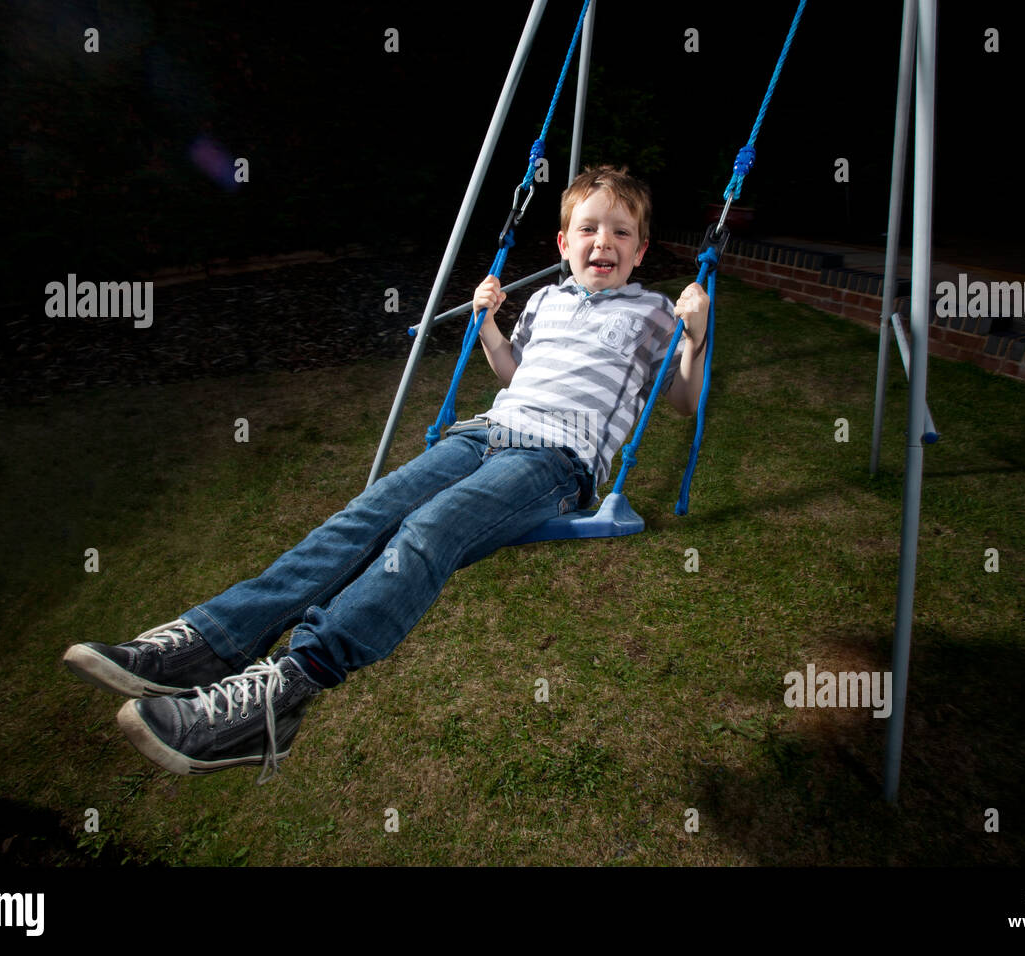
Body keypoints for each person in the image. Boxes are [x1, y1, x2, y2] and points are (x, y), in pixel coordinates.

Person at [62, 165, 711, 782]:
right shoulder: (545, 301)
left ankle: (281, 694)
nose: (605, 241)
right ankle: (209, 640)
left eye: (621, 232)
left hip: (553, 461)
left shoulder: (650, 313)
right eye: (591, 229)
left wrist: (695, 338)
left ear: (642, 248)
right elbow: (516, 375)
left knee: (429, 530)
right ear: (564, 242)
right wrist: (487, 326)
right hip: (483, 433)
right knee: (363, 517)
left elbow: (682, 401)